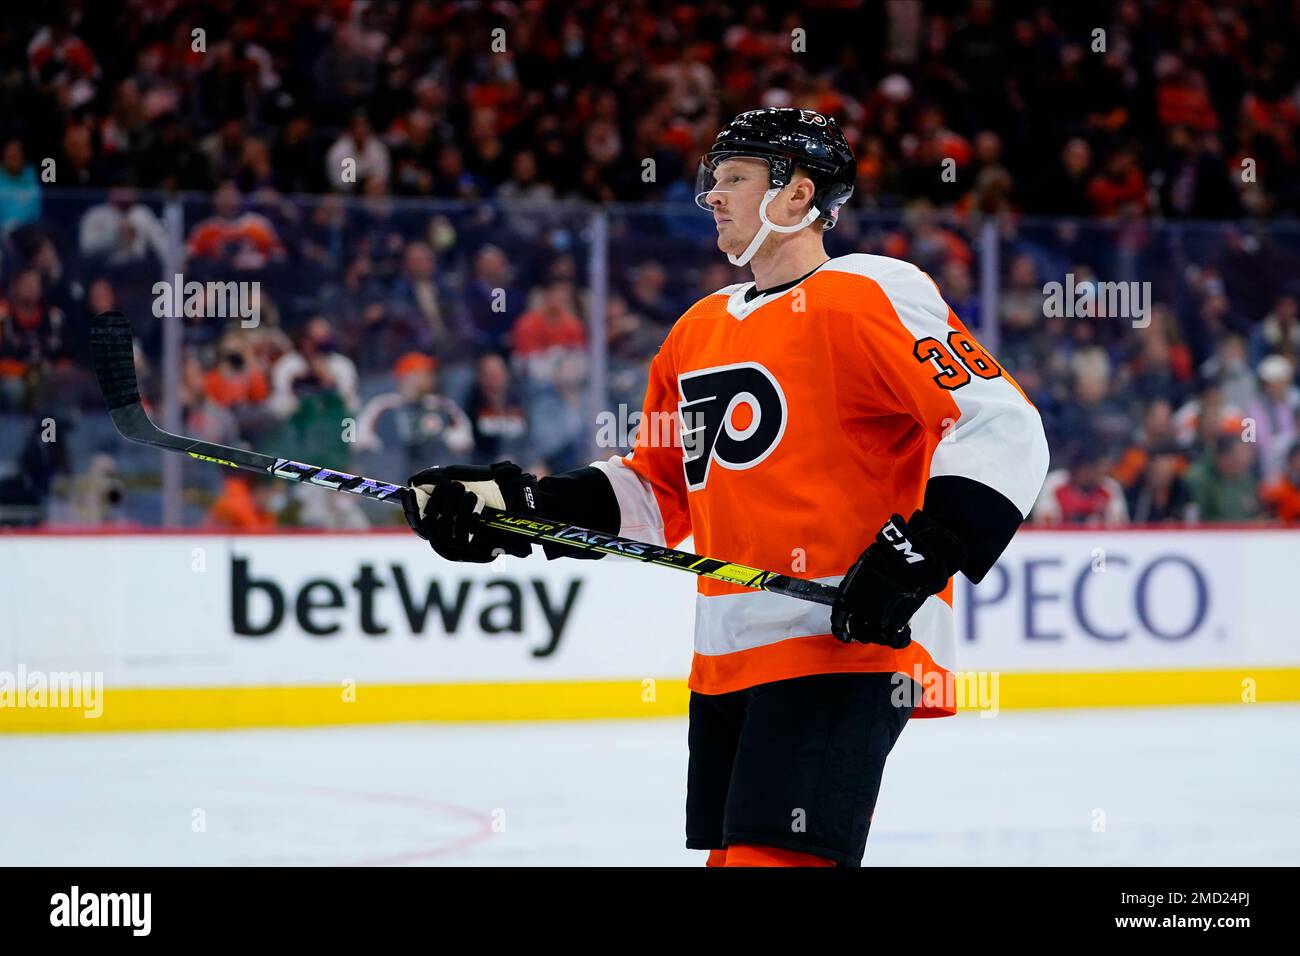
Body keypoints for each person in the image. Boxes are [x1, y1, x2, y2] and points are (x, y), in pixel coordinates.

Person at [401, 108, 1049, 867]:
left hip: (840, 638)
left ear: (798, 196)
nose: (711, 195)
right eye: (714, 179)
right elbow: (655, 491)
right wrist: (518, 509)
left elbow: (999, 421)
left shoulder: (870, 290)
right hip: (728, 653)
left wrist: (921, 555)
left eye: (734, 178)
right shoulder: (697, 330)